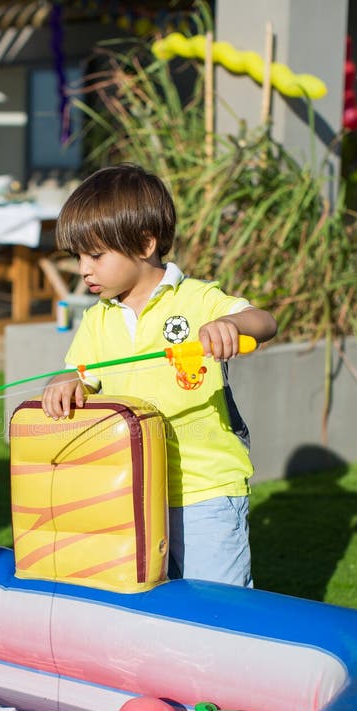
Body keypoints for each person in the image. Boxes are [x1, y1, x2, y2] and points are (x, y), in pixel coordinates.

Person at [41, 164, 277, 587]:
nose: (83, 270)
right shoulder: (98, 321)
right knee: (146, 598)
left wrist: (233, 327)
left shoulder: (197, 298)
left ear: (145, 244)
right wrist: (62, 384)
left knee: (215, 606)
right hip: (130, 492)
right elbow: (76, 375)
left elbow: (263, 321)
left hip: (205, 489)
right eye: (78, 257)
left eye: (95, 255)